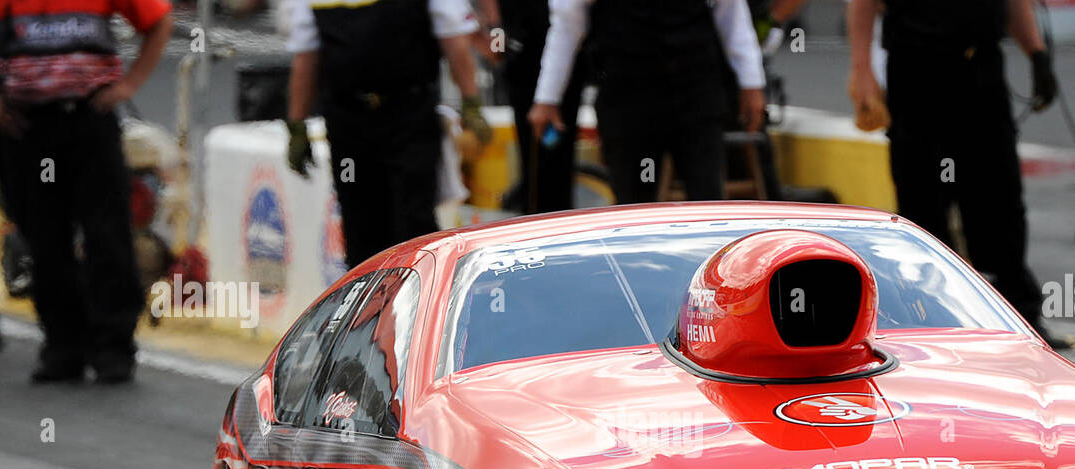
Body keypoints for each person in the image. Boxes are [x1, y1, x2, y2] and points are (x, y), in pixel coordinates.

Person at [846, 0, 1060, 344]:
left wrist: (1036, 53)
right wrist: (862, 70)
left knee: (1001, 201)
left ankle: (1020, 317)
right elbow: (864, 4)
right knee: (923, 202)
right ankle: (926, 319)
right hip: (917, 73)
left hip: (981, 69)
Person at [0, 0, 173, 384]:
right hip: (28, 129)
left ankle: (113, 347)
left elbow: (159, 22)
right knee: (43, 240)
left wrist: (128, 85)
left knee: (107, 234)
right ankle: (63, 346)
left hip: (90, 121)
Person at [284, 0, 492, 268]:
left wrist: (471, 102)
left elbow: (453, 39)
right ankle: (372, 304)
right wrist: (296, 126)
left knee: (413, 217)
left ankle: (420, 296)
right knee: (360, 220)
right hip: (349, 121)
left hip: (410, 113)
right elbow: (307, 56)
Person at [528, 0, 767, 204]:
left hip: (696, 87)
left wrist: (751, 84)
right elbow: (568, 24)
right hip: (628, 93)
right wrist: (547, 98)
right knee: (633, 203)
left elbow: (733, 16)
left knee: (706, 198)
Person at [477, 0, 585, 213]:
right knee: (534, 153)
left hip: (566, 50)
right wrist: (496, 34)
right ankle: (537, 213)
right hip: (523, 49)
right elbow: (494, 28)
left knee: (558, 151)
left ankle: (558, 212)